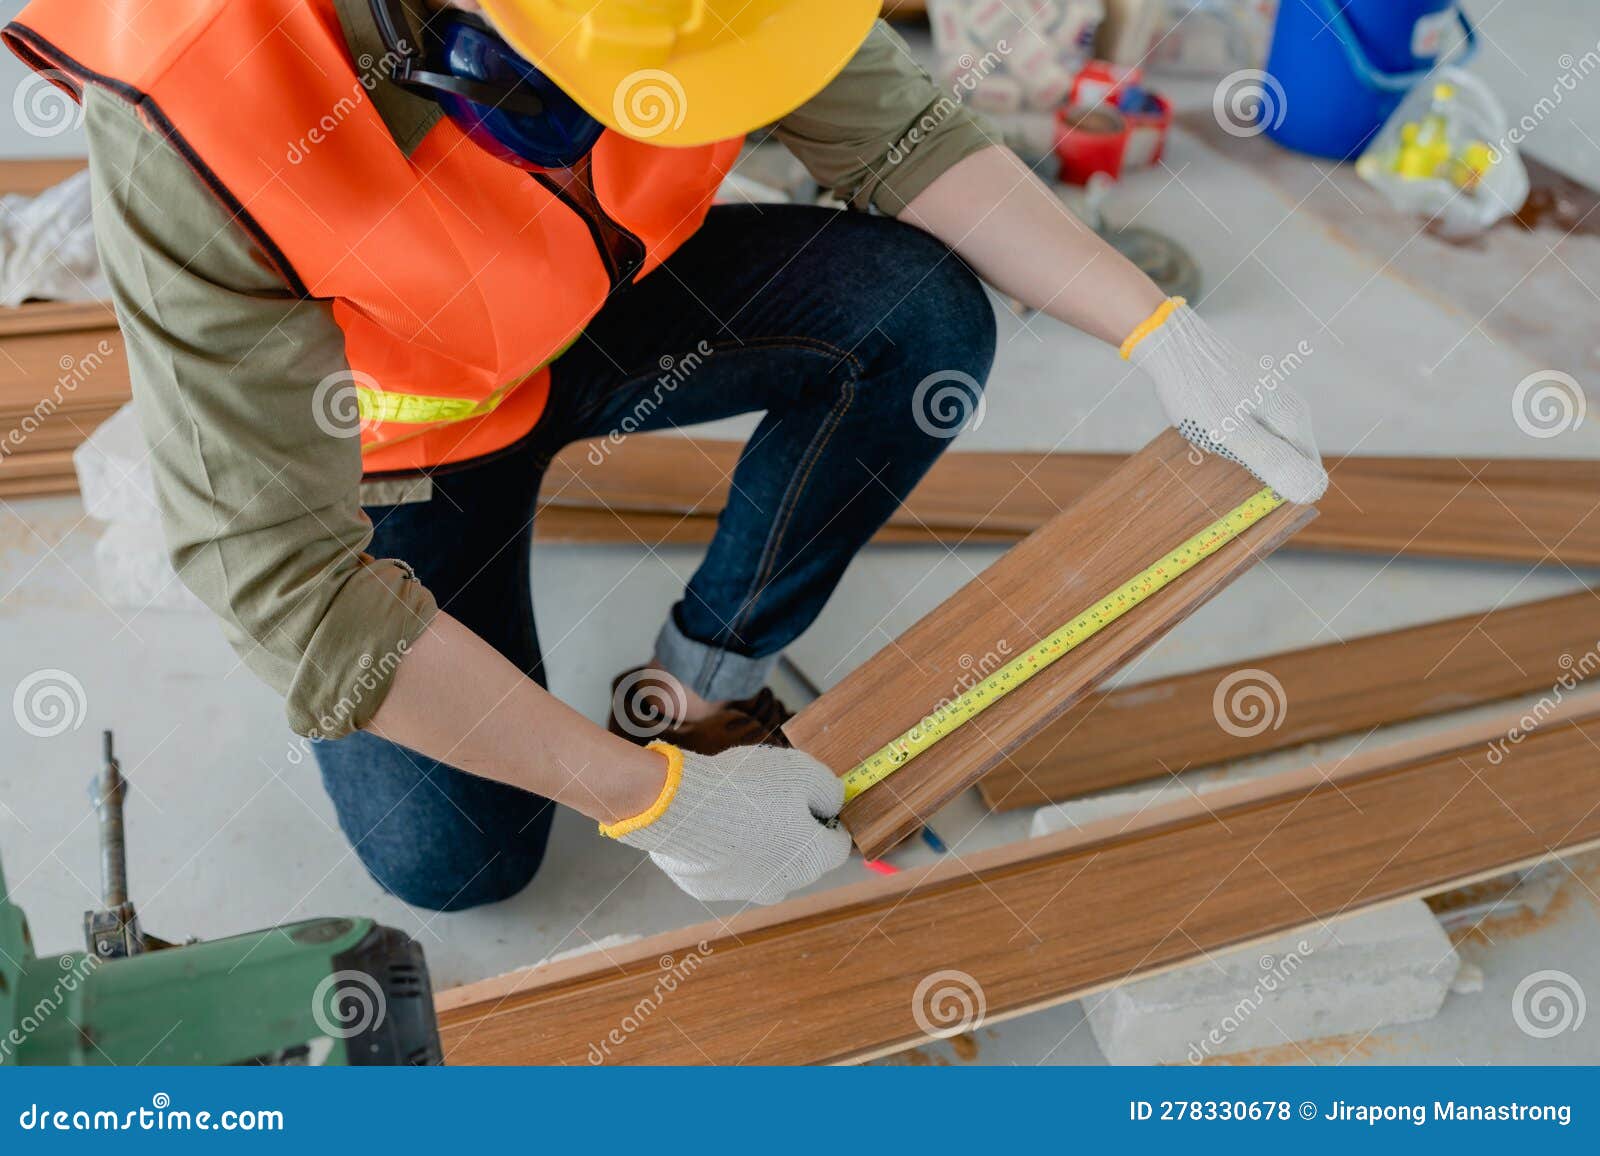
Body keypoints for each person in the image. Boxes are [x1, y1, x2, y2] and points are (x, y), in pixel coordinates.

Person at [4, 0, 1326, 912]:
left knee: (915, 317)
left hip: (605, 308)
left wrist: (1155, 331)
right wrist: (650, 806)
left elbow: (906, 135)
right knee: (460, 868)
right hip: (406, 427)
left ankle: (700, 678)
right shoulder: (199, 84)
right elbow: (291, 596)